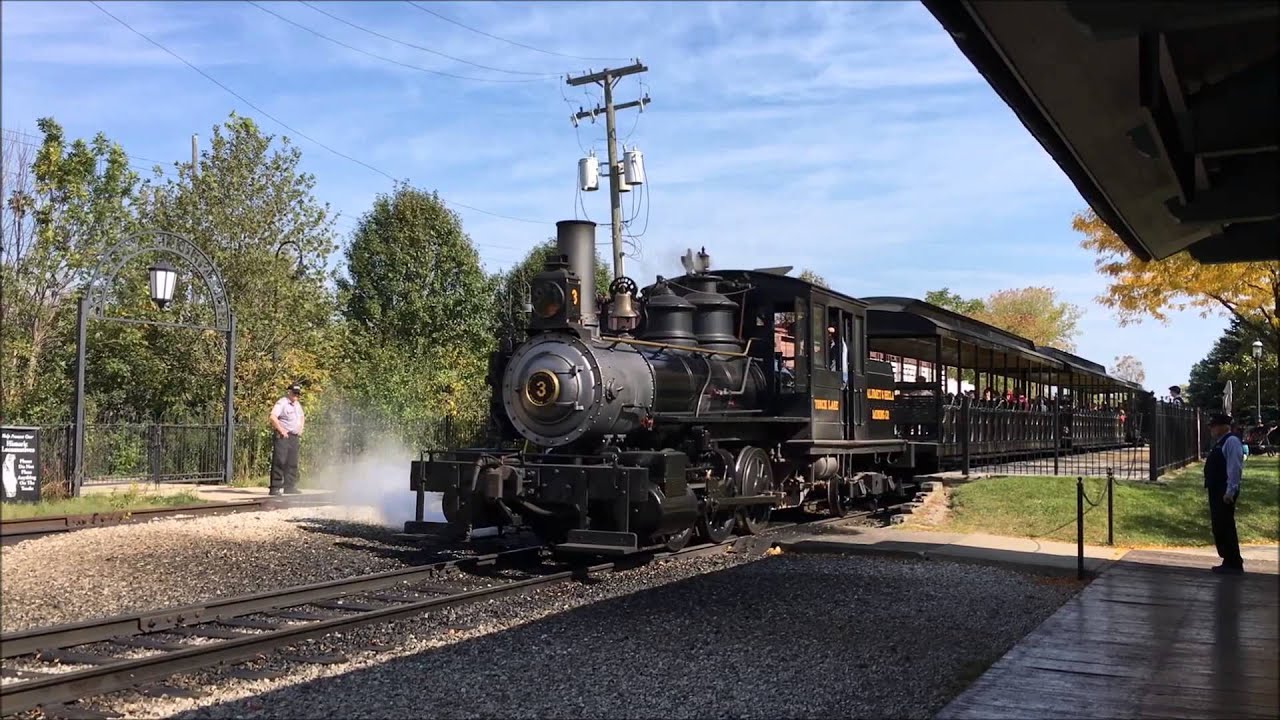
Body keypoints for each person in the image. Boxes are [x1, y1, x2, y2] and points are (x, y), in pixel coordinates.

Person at [1204, 413, 1244, 574]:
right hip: (1216, 489)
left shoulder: (1231, 441)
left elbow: (1234, 468)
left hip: (1224, 490)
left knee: (1225, 525)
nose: (1211, 429)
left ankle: (1233, 562)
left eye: (1214, 426)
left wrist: (1230, 491)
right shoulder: (1220, 442)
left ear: (1223, 427)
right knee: (1219, 525)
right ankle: (1228, 559)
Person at [269, 383, 305, 496]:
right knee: (280, 461)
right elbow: (272, 417)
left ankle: (290, 486)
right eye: (294, 393)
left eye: (298, 394)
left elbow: (302, 417)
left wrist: (301, 428)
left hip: (294, 437)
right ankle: (275, 488)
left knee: (292, 462)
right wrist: (281, 430)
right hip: (283, 436)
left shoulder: (297, 404)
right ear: (289, 392)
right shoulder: (282, 403)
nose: (296, 396)